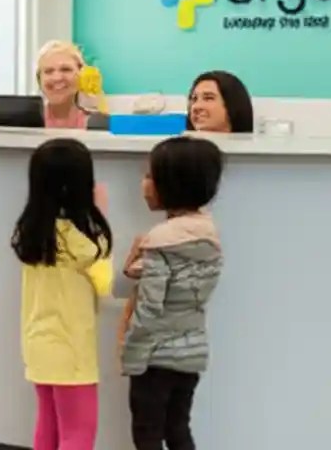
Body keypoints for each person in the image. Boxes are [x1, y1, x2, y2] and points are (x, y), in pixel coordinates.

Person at [120, 137, 224, 450]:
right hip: (191, 354)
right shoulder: (209, 236)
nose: (143, 185)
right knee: (178, 429)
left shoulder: (161, 241)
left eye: (149, 176)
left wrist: (131, 355)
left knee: (147, 434)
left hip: (156, 358)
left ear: (172, 183)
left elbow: (150, 308)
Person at [12, 138, 114, 450]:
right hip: (71, 351)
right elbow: (106, 283)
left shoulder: (33, 233)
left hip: (38, 345)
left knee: (49, 423)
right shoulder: (84, 241)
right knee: (78, 434)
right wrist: (101, 214)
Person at [36, 41, 90, 129]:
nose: (57, 78)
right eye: (49, 71)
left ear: (82, 75)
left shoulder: (107, 122)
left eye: (66, 69)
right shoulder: (24, 123)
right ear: (39, 79)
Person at [185, 70, 254, 133]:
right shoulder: (180, 145)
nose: (196, 107)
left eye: (208, 98)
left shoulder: (256, 146)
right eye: (194, 99)